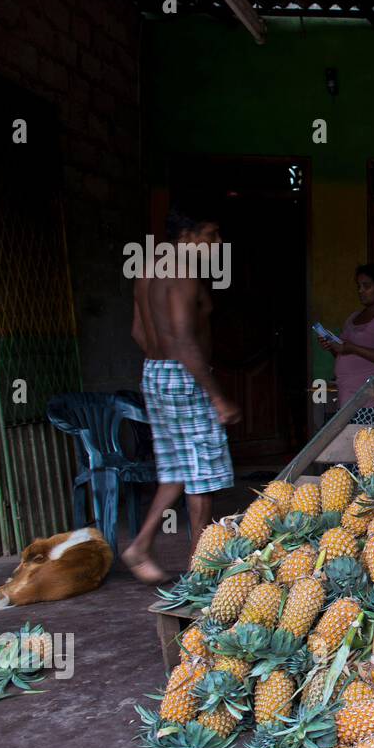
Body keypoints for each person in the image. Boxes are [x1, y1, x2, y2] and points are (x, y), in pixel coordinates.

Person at [124, 205, 240, 584]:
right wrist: (216, 396)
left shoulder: (148, 269)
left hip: (155, 374)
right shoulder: (183, 271)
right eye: (211, 235)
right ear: (188, 236)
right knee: (203, 476)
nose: (217, 244)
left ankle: (140, 546)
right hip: (185, 375)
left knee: (177, 470)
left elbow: (139, 333)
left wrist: (164, 367)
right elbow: (181, 337)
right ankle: (198, 570)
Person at [319, 263, 374, 423]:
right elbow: (344, 353)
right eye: (359, 286)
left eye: (367, 286)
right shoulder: (353, 318)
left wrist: (351, 347)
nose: (361, 291)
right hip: (349, 397)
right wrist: (333, 347)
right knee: (354, 446)